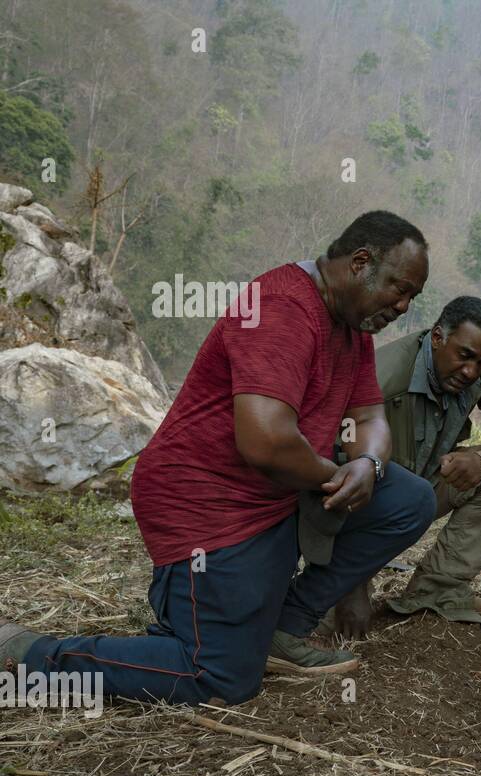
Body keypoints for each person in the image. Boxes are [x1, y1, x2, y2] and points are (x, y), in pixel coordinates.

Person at [0, 211, 437, 705]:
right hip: (207, 505)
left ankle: (282, 628)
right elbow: (266, 442)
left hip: (278, 495)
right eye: (399, 289)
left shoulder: (353, 328)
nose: (402, 306)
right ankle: (31, 656)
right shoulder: (281, 308)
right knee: (218, 677)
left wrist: (369, 466)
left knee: (408, 499)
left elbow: (371, 419)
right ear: (360, 263)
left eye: (411, 298)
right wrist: (336, 474)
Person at [329, 296, 481, 635]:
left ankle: (436, 589)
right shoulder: (382, 380)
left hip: (419, 493)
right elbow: (339, 485)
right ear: (438, 337)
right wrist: (353, 586)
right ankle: (343, 582)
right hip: (364, 507)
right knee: (324, 618)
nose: (471, 371)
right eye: (465, 356)